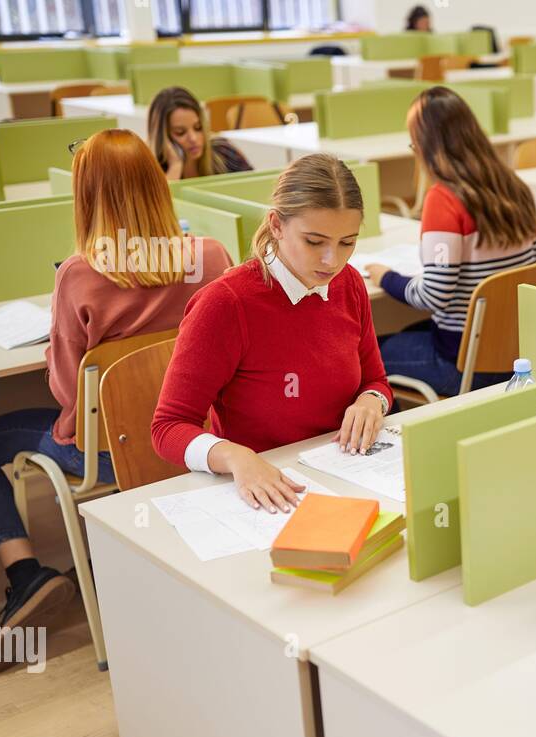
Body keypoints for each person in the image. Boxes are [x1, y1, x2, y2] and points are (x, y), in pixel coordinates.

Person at [0, 130, 233, 672]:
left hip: (106, 453)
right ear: (158, 184)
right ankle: (98, 556)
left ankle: (26, 574)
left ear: (85, 197)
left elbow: (64, 389)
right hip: (197, 438)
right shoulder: (211, 256)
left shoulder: (79, 274)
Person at [152, 154, 394, 513]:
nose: (333, 260)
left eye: (348, 242)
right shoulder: (226, 304)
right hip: (266, 488)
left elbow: (376, 380)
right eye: (314, 241)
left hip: (342, 472)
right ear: (276, 226)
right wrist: (235, 457)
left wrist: (371, 402)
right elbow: (168, 428)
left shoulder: (349, 284)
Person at [363, 88, 536, 396]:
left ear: (426, 147)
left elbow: (434, 295)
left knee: (365, 355)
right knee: (408, 333)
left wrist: (385, 277)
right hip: (518, 355)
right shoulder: (515, 187)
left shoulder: (445, 200)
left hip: (463, 365)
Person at [147, 86, 253, 181]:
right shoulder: (147, 168)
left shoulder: (223, 152)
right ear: (161, 137)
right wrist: (175, 166)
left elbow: (255, 186)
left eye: (198, 128)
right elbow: (159, 202)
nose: (193, 138)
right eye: (180, 132)